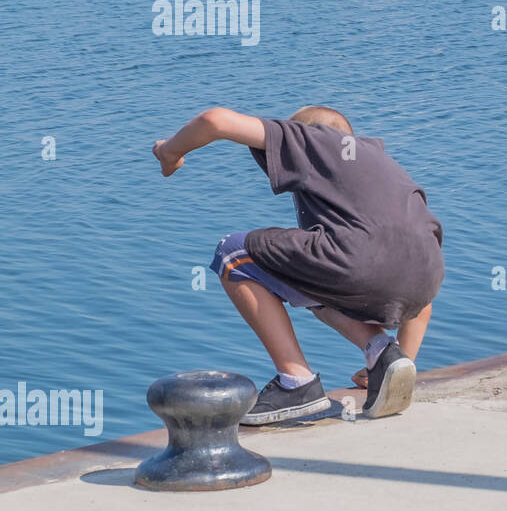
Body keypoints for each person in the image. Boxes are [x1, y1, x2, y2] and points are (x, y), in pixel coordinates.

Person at [152, 106, 444, 423]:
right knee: (309, 280)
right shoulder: (383, 166)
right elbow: (421, 301)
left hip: (359, 263)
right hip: (426, 275)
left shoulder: (313, 139)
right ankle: (383, 356)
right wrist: (397, 373)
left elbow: (215, 120)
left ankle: (297, 383)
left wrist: (169, 152)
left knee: (232, 253)